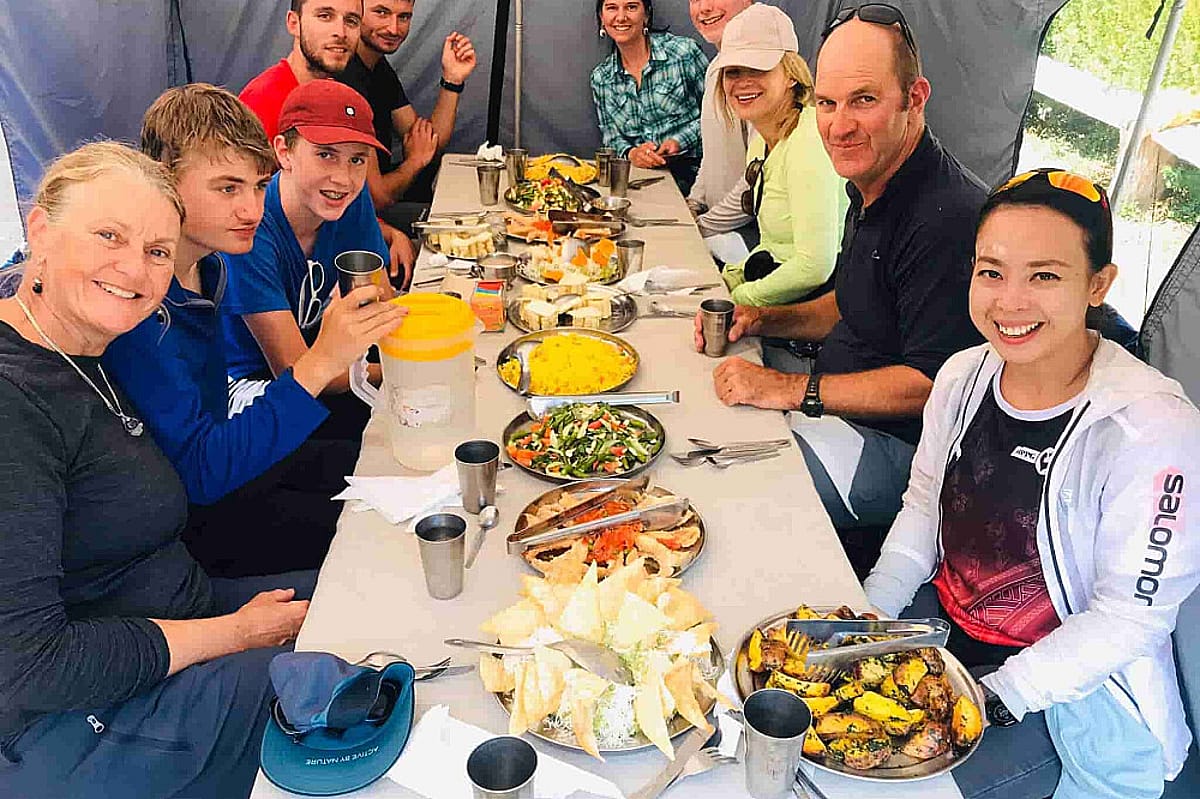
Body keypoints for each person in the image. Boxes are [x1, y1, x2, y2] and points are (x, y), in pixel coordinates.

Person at [865, 168, 1200, 799]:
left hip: (1068, 698)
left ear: (1098, 284)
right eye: (991, 271)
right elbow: (923, 505)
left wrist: (992, 697)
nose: (1008, 301)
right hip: (948, 629)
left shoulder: (1152, 430)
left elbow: (1131, 619)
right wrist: (873, 607)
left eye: (1044, 275)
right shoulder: (964, 375)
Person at [0, 141, 313, 799]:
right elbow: (28, 665)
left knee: (367, 588)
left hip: (181, 615)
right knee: (365, 676)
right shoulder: (14, 402)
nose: (133, 268)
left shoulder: (89, 348)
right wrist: (234, 634)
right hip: (78, 727)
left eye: (158, 251)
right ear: (40, 231)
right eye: (108, 235)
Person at [697, 4, 986, 573]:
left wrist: (792, 388)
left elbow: (930, 386)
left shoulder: (947, 218)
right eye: (827, 104)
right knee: (706, 429)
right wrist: (761, 319)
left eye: (864, 100)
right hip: (836, 405)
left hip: (907, 454)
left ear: (915, 98)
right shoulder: (871, 178)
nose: (839, 124)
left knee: (731, 497)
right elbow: (851, 304)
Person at [103, 84, 405, 578]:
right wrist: (324, 358)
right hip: (189, 528)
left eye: (258, 186)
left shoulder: (210, 268)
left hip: (233, 466)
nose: (252, 210)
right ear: (162, 182)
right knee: (375, 544)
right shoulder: (141, 309)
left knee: (382, 471)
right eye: (227, 188)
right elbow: (202, 475)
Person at [222, 79, 393, 441]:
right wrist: (399, 366)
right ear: (283, 152)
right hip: (259, 391)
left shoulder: (349, 198)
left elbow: (380, 303)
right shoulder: (250, 230)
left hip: (330, 365)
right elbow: (297, 372)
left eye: (357, 159)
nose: (343, 178)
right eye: (326, 154)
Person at [240, 0, 415, 286]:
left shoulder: (340, 95)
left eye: (351, 21)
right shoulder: (263, 101)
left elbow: (341, 195)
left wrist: (384, 231)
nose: (341, 32)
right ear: (293, 23)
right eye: (325, 16)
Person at [710, 4, 845, 306]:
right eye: (733, 71)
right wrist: (732, 275)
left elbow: (815, 267)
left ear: (791, 75)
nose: (743, 81)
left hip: (813, 311)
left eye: (757, 68)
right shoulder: (762, 141)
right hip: (774, 284)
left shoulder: (808, 140)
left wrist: (740, 296)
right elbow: (774, 245)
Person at [338, 0, 477, 221]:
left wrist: (452, 80)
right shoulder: (345, 79)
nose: (394, 28)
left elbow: (432, 142)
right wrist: (414, 161)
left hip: (379, 204)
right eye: (381, 13)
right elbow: (378, 197)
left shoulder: (379, 68)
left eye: (403, 17)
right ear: (356, 12)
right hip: (353, 217)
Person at [590, 0, 708, 195]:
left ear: (646, 15)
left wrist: (679, 141)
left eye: (631, 7)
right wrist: (632, 153)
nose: (621, 17)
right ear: (602, 19)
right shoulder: (601, 78)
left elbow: (722, 113)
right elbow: (611, 137)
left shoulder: (683, 53)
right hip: (641, 181)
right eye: (612, 8)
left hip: (698, 178)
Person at [686, 0, 757, 244]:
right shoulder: (716, 66)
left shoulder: (760, 74)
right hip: (719, 228)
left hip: (749, 238)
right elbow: (713, 154)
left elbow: (758, 178)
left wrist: (703, 225)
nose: (704, 8)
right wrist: (694, 203)